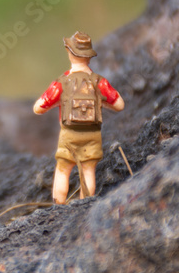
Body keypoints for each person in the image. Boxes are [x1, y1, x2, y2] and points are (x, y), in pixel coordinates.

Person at [33, 31, 124, 203]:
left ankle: (58, 206)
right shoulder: (99, 81)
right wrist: (101, 102)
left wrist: (59, 102)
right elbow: (119, 105)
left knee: (63, 169)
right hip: (93, 134)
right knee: (88, 170)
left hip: (69, 133)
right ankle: (84, 205)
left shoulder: (61, 82)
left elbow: (38, 107)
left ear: (69, 52)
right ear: (89, 57)